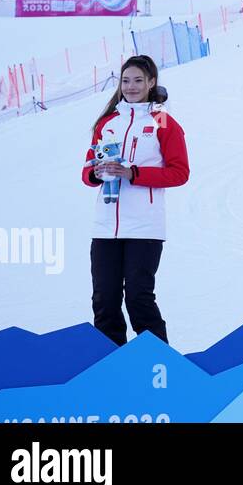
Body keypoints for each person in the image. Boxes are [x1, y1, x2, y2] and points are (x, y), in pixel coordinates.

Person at [81, 55, 190, 345]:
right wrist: (97, 172)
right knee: (104, 302)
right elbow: (86, 171)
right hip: (105, 226)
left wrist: (133, 173)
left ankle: (160, 368)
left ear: (151, 82)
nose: (131, 86)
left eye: (138, 80)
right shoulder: (107, 123)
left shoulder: (164, 122)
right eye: (126, 80)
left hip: (144, 226)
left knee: (139, 299)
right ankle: (112, 370)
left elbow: (180, 173)